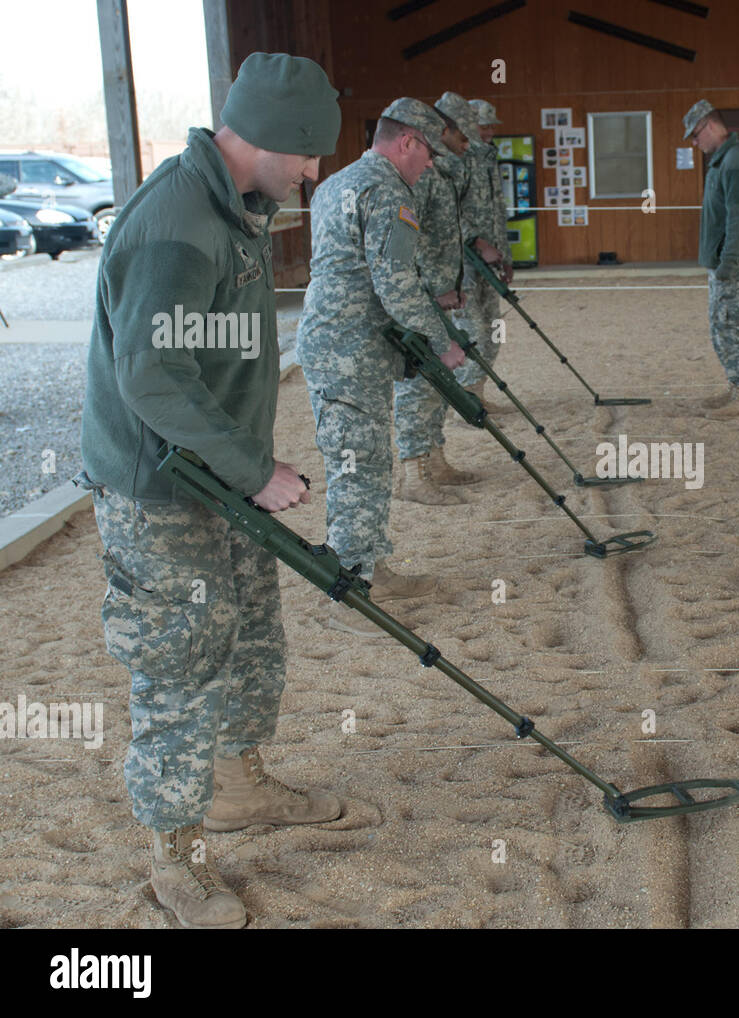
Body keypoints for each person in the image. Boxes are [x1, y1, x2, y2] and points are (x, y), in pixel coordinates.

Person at [78, 52, 343, 929]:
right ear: (271, 135)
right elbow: (150, 375)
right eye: (309, 155)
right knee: (180, 665)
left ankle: (237, 786)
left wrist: (245, 466)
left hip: (219, 477)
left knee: (251, 638)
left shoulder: (235, 209)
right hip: (164, 491)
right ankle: (177, 858)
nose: (314, 175)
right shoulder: (177, 222)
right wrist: (254, 469)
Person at [296, 97, 465, 636]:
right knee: (356, 466)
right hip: (350, 350)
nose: (431, 164)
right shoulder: (388, 190)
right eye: (428, 152)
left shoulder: (335, 184)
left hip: (340, 345)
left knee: (366, 460)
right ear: (407, 142)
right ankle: (350, 593)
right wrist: (442, 342)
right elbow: (395, 283)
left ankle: (372, 569)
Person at [391, 102, 480, 504]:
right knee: (418, 382)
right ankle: (414, 472)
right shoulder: (413, 180)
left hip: (439, 293)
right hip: (421, 296)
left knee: (438, 384)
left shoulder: (436, 170)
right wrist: (435, 286)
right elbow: (413, 245)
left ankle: (435, 457)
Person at [683, 99, 739, 419]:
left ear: (712, 126)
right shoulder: (724, 160)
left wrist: (729, 261)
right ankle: (736, 388)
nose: (694, 141)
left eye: (696, 133)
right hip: (724, 263)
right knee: (721, 325)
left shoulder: (736, 161)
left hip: (734, 265)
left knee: (733, 326)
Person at [442, 91, 514, 414]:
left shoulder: (488, 158)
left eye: (491, 128)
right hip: (465, 266)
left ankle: (476, 393)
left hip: (490, 264)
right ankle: (465, 402)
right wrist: (475, 242)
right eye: (483, 126)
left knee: (493, 332)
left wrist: (506, 256)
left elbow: (499, 212)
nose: (488, 133)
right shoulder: (458, 161)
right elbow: (449, 212)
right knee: (473, 332)